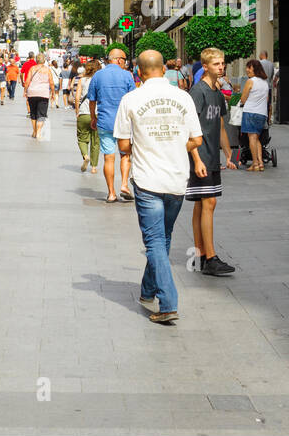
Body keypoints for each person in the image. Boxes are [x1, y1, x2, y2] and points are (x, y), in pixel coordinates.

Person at [112, 50, 206, 324]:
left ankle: (168, 302)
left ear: (138, 73)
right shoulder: (183, 97)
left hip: (147, 179)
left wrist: (148, 144)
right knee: (162, 239)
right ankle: (147, 290)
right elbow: (197, 139)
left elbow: (124, 146)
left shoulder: (131, 99)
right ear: (164, 69)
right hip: (177, 178)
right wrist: (175, 145)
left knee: (154, 242)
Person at [187, 48, 237, 276]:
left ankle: (200, 255)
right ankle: (211, 257)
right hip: (201, 156)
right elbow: (189, 129)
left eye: (223, 63)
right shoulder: (198, 91)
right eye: (216, 64)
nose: (221, 67)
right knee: (209, 203)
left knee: (202, 204)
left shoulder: (217, 92)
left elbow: (220, 125)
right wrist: (196, 159)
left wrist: (228, 153)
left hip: (212, 157)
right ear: (205, 66)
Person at [85, 48, 136, 202]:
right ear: (119, 60)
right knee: (125, 155)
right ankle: (125, 185)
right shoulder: (127, 75)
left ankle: (111, 193)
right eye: (125, 60)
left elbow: (92, 100)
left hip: (104, 121)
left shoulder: (98, 76)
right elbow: (133, 99)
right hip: (124, 123)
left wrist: (93, 117)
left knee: (109, 158)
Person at [74, 59, 101, 173]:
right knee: (95, 141)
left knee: (82, 139)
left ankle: (85, 156)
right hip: (97, 113)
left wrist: (77, 111)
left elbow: (77, 97)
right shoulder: (100, 81)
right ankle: (94, 167)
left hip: (84, 112)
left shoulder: (82, 80)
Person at [24, 53, 55, 139]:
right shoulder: (47, 70)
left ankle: (34, 131)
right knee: (41, 114)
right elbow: (51, 83)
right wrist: (53, 93)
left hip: (32, 92)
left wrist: (25, 91)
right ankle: (38, 132)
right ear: (44, 61)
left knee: (33, 113)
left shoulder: (32, 68)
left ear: (36, 60)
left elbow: (27, 81)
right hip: (43, 93)